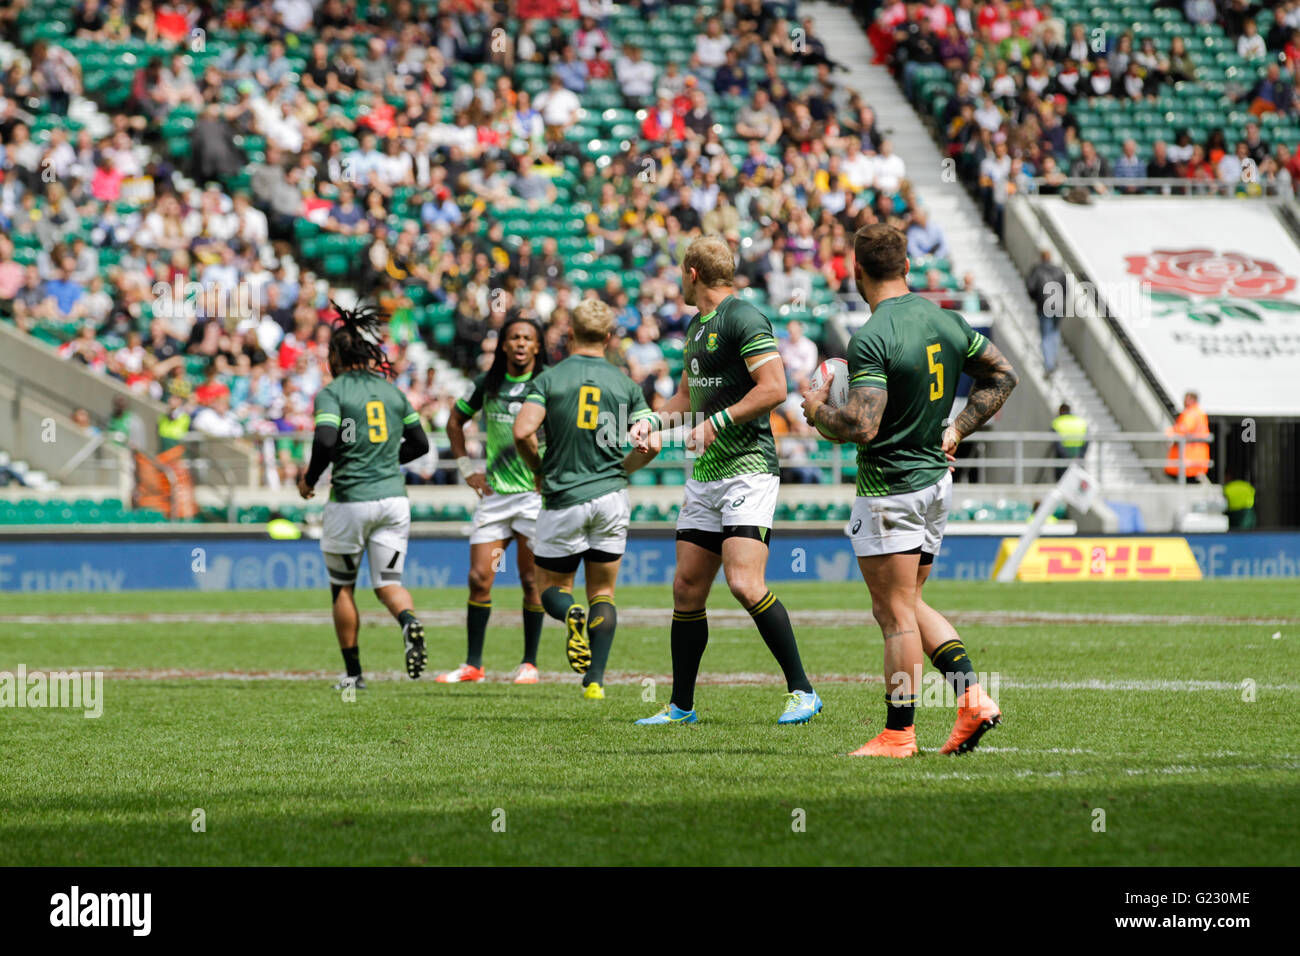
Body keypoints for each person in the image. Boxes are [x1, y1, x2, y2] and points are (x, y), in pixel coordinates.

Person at [801, 223, 1017, 758]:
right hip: (934, 482)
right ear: (908, 267)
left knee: (894, 613)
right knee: (909, 602)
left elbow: (861, 425)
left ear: (856, 272)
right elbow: (1003, 376)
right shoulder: (946, 320)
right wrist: (957, 428)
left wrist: (815, 411)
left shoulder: (872, 336)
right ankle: (971, 700)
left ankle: (899, 734)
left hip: (890, 487)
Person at [629, 235, 822, 726]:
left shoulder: (745, 317)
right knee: (687, 589)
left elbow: (774, 388)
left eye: (680, 273)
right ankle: (681, 706)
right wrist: (652, 421)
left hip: (748, 470)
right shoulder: (696, 328)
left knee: (743, 582)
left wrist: (716, 424)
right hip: (707, 476)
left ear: (691, 273)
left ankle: (803, 690)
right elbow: (685, 400)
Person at [511, 299, 659, 700]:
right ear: (610, 338)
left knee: (550, 588)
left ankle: (569, 613)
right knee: (604, 593)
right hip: (611, 497)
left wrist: (539, 470)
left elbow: (523, 431)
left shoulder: (550, 378)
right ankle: (595, 680)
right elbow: (654, 444)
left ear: (570, 334)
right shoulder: (626, 384)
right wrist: (621, 470)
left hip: (564, 496)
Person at [299, 302, 431, 690]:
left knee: (342, 586)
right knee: (389, 582)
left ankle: (354, 675)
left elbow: (325, 440)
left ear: (337, 356)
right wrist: (388, 459)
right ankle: (409, 622)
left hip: (351, 499)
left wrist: (310, 479)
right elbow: (420, 444)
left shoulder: (333, 392)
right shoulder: (391, 392)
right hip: (393, 500)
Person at [438, 318, 548, 684]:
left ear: (536, 346)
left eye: (527, 338)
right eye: (514, 337)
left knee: (531, 580)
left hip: (534, 499)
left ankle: (529, 663)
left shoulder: (546, 382)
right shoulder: (488, 383)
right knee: (480, 577)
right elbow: (455, 422)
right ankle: (473, 665)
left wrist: (550, 473)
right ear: (503, 345)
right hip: (495, 497)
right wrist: (467, 468)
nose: (520, 343)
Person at [1026, 248, 1066, 374]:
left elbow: (1031, 287)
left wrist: (1036, 299)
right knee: (1054, 333)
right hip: (1058, 307)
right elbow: (1065, 289)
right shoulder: (1059, 270)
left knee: (1046, 335)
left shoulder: (1037, 271)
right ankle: (1053, 359)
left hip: (1044, 306)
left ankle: (1049, 364)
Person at [1165, 390, 1210, 479]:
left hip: (1189, 457)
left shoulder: (1191, 413)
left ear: (1192, 400)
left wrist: (1171, 431)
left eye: (1186, 399)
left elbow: (1185, 428)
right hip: (1196, 457)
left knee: (1183, 481)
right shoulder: (1200, 413)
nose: (1184, 402)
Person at [1051, 402, 1088, 479]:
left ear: (1060, 411)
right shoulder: (1080, 422)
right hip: (1078, 457)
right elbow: (1086, 441)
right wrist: (1080, 455)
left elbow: (1057, 444)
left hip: (1063, 460)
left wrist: (1067, 458)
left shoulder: (1057, 422)